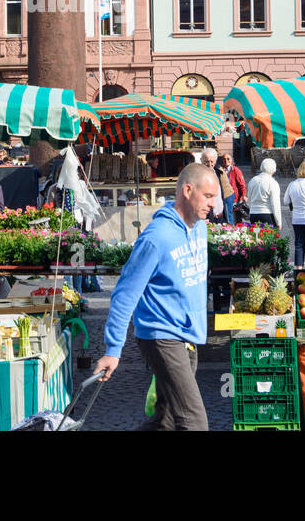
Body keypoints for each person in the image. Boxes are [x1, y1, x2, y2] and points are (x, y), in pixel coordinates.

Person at [95, 162, 216, 431]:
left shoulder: (200, 227)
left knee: (168, 418)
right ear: (187, 190)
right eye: (208, 196)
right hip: (161, 336)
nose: (214, 205)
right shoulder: (156, 237)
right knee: (194, 421)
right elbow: (125, 294)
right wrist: (113, 349)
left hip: (188, 336)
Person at [245, 157, 282, 229]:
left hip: (253, 214)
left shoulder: (253, 180)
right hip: (267, 214)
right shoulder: (273, 183)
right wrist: (279, 222)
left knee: (256, 238)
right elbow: (275, 204)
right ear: (273, 170)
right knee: (269, 239)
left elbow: (249, 200)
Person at [220, 153, 247, 222]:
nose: (226, 160)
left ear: (231, 160)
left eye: (228, 159)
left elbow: (242, 185)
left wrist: (243, 195)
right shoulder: (221, 170)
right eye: (224, 159)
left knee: (237, 219)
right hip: (225, 198)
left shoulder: (236, 170)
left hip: (235, 199)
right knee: (228, 217)